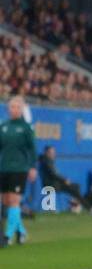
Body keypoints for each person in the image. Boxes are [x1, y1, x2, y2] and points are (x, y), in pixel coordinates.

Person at [0, 97, 37, 246]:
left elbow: (32, 148)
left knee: (14, 201)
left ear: (21, 109)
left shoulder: (26, 127)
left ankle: (7, 236)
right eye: (11, 107)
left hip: (19, 169)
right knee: (6, 202)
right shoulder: (4, 126)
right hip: (4, 168)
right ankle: (21, 231)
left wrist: (32, 167)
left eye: (16, 107)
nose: (13, 109)